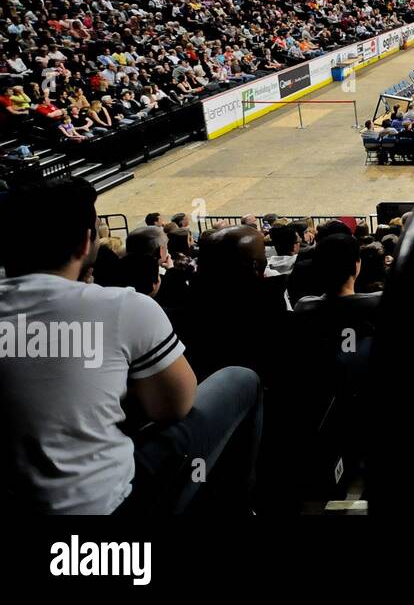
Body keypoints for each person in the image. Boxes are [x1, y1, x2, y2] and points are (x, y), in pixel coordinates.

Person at [0, 178, 262, 514]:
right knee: (241, 380)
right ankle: (239, 505)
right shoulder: (122, 306)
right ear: (84, 243)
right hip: (108, 505)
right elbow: (175, 406)